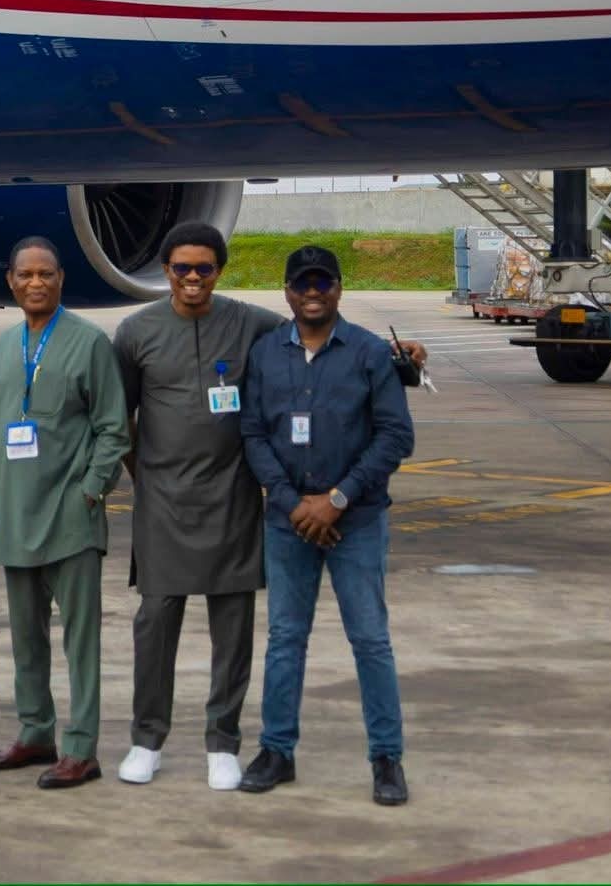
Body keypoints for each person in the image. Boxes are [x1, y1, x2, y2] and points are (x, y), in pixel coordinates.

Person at [239, 244, 415, 807]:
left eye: (323, 283)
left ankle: (386, 758)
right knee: (285, 639)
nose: (312, 293)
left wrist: (337, 499)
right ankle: (277, 750)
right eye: (302, 284)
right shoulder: (266, 354)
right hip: (289, 524)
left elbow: (395, 435)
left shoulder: (368, 353)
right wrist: (295, 504)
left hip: (356, 521)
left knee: (370, 640)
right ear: (287, 292)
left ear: (338, 288)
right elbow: (253, 434)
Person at [110, 223, 281, 792]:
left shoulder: (250, 323)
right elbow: (120, 418)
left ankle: (222, 742)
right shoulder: (137, 332)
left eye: (203, 269)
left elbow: (314, 336)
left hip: (232, 498)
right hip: (162, 503)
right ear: (166, 271)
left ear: (219, 272)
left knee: (232, 626)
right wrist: (146, 477)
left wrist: (395, 355)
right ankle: (146, 738)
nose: (191, 279)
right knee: (155, 622)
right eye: (181, 268)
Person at [0, 236, 128, 790]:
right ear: (11, 282)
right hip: (15, 515)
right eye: (25, 275)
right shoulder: (9, 345)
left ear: (61, 278)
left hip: (71, 517)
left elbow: (114, 428)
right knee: (26, 638)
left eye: (46, 274)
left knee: (79, 640)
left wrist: (90, 491)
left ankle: (81, 748)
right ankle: (36, 732)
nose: (35, 283)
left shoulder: (88, 343)